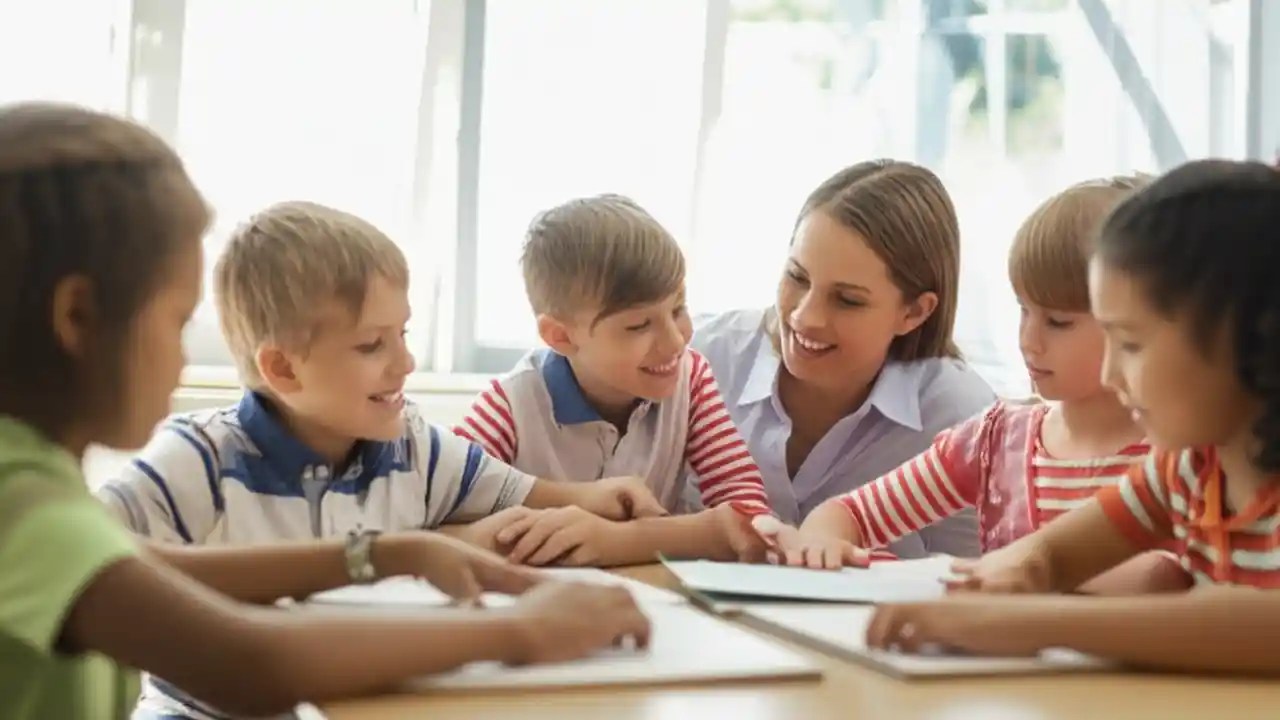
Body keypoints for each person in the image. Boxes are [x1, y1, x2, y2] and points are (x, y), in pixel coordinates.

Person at [0, 102, 649, 720]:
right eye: (176, 322)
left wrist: (397, 552)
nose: (181, 359)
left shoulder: (33, 484)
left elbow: (146, 562)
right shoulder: (21, 506)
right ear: (78, 317)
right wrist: (518, 630)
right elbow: (247, 662)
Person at [865, 160, 1280, 675]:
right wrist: (990, 588)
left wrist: (1039, 623)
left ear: (1249, 338)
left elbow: (1259, 625)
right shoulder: (1184, 473)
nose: (1112, 371)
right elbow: (1050, 557)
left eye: (1130, 343)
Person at [761, 175, 1190, 591]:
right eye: (1024, 310)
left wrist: (1015, 572)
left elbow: (1166, 578)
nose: (1028, 340)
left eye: (1058, 322)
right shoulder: (996, 440)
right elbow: (847, 514)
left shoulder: (1186, 457)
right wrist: (824, 543)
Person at [693, 160, 995, 558]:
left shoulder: (962, 418)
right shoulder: (706, 358)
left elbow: (980, 582)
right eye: (797, 278)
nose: (805, 316)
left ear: (914, 312)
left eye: (847, 300)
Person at [454, 195, 773, 567]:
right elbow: (436, 502)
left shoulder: (692, 380)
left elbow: (751, 518)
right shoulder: (509, 405)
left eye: (678, 309)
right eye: (638, 325)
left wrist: (622, 540)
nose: (675, 340)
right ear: (561, 337)